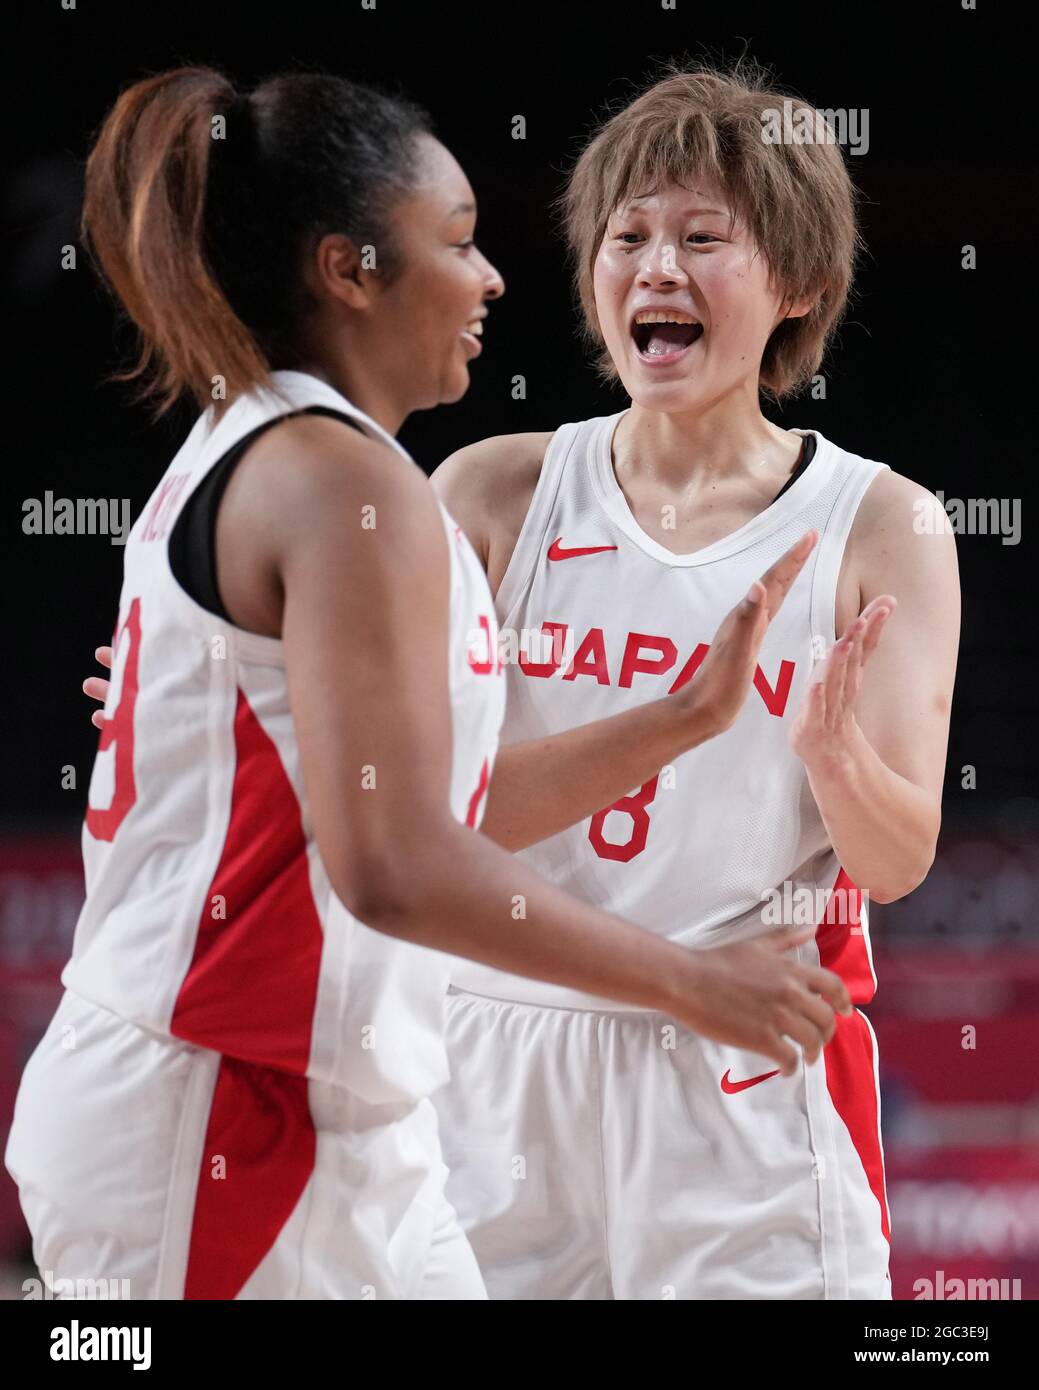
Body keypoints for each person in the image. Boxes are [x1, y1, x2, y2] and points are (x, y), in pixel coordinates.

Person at [11, 66, 847, 1301]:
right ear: (351, 270)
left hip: (344, 1112)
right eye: (456, 242)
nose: (492, 278)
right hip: (222, 1103)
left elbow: (435, 798)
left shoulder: (293, 451)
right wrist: (696, 982)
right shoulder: (340, 489)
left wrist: (680, 720)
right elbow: (397, 861)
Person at [429, 64, 959, 1299]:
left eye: (701, 236)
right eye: (627, 237)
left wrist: (835, 761)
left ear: (799, 285)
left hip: (739, 1066)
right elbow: (427, 816)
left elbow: (895, 860)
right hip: (490, 1054)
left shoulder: (884, 526)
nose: (655, 268)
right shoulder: (487, 495)